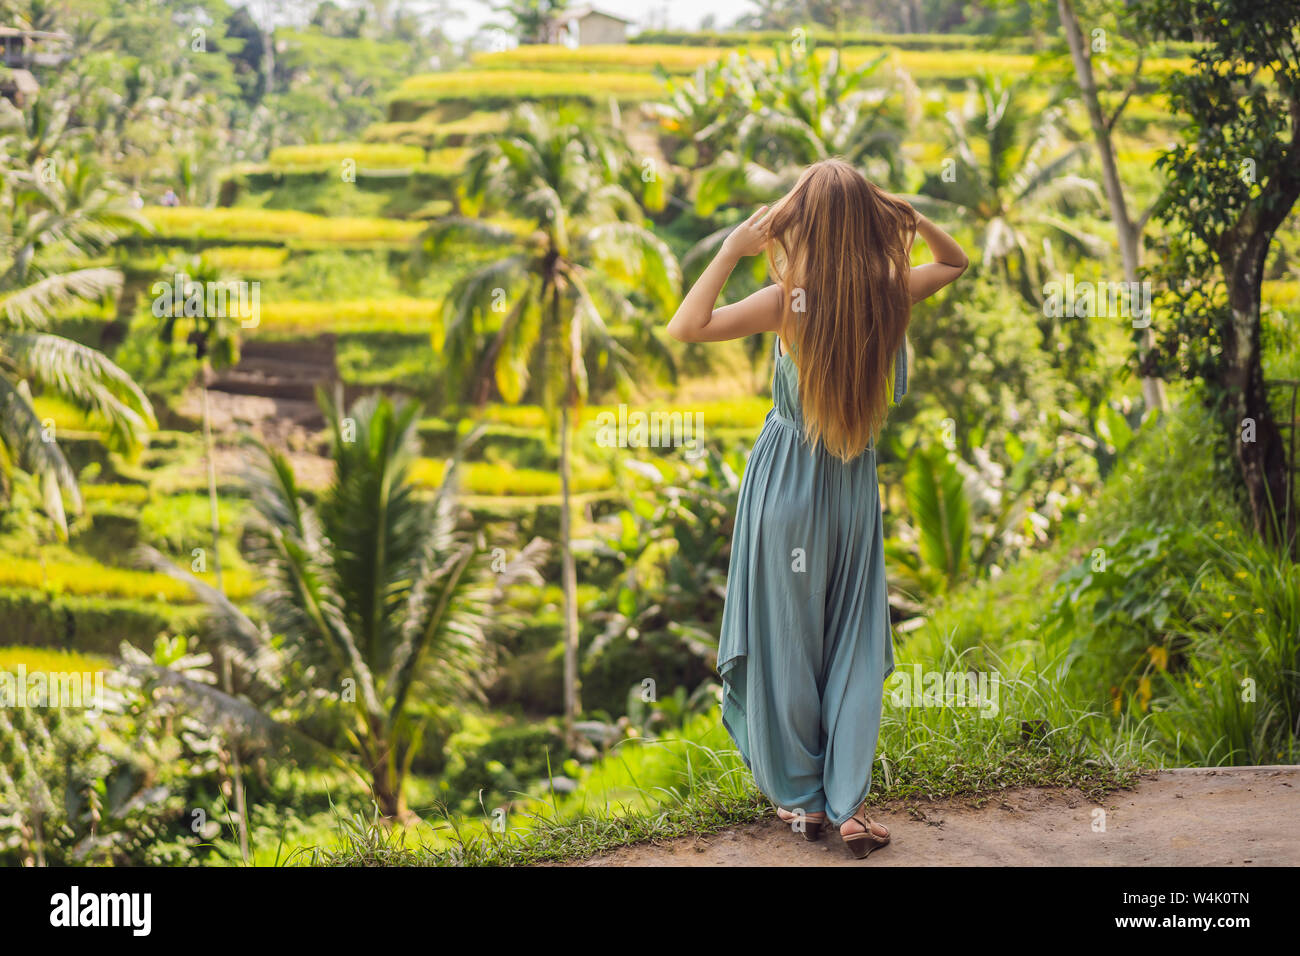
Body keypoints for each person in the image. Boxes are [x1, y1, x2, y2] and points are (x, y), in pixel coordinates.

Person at [666, 158, 968, 859]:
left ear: (800, 224)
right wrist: (909, 215)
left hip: (784, 488)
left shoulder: (784, 301)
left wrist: (729, 250)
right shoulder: (888, 292)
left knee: (787, 642)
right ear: (868, 222)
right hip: (851, 493)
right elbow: (954, 264)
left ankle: (801, 805)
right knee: (853, 640)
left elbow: (688, 325)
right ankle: (850, 807)